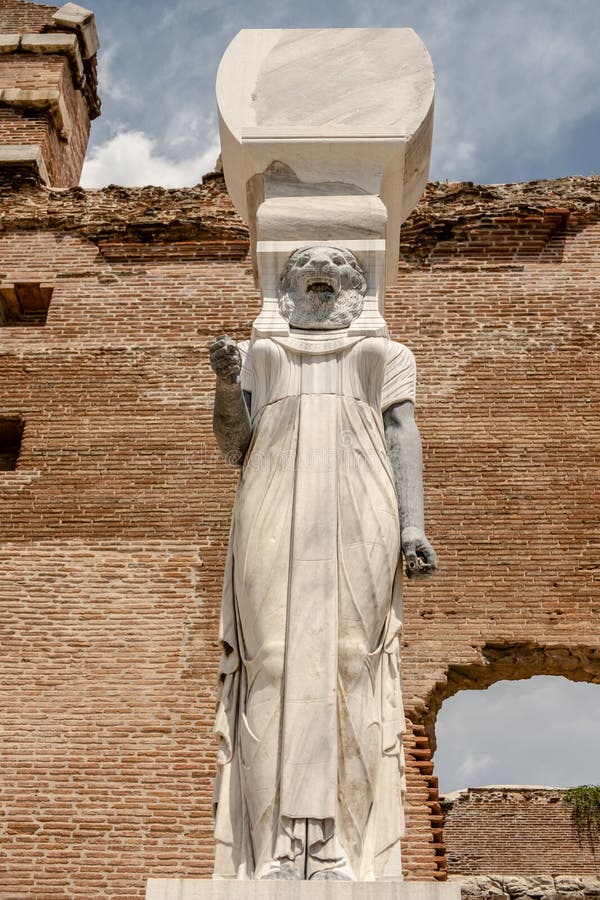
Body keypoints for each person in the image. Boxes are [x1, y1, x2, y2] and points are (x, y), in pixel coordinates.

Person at [209, 246, 436, 881]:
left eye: (338, 261)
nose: (322, 267)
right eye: (307, 260)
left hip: (363, 496)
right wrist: (229, 385)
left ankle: (346, 854)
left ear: (359, 280)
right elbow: (234, 445)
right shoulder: (261, 354)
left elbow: (402, 434)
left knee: (350, 662)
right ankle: (269, 854)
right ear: (284, 281)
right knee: (270, 664)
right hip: (270, 493)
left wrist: (413, 523)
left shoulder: (388, 354)